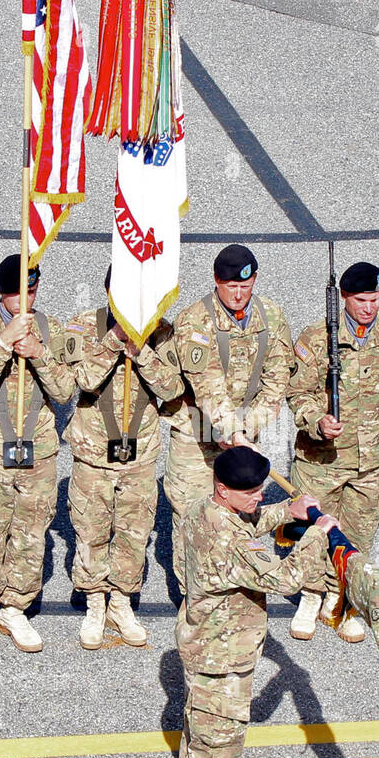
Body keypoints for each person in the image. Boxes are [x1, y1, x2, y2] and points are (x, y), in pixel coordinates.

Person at [168, 446, 336, 758]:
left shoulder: (203, 510)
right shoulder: (228, 540)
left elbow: (247, 524)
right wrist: (317, 535)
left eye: (261, 490)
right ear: (223, 489)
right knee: (219, 740)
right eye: (250, 493)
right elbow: (285, 578)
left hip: (206, 640)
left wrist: (287, 511)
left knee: (201, 731)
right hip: (222, 653)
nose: (258, 498)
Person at [286, 261, 379, 643]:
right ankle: (310, 597)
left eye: (375, 299)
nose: (369, 307)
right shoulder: (317, 338)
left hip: (370, 461)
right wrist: (317, 421)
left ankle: (340, 600)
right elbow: (297, 394)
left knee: (358, 536)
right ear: (344, 297)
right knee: (313, 531)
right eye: (361, 299)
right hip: (322, 459)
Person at [0, 254, 75, 655]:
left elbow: (64, 392)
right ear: (3, 293)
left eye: (34, 292)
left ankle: (16, 606)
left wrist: (39, 353)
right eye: (21, 293)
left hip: (37, 450)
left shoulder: (51, 329)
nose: (28, 301)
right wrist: (3, 345)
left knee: (30, 533)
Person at [162, 244, 295, 590]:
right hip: (198, 434)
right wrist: (233, 432)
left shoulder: (273, 318)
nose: (238, 294)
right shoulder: (194, 321)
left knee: (243, 509)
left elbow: (277, 381)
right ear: (216, 282)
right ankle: (193, 593)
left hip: (245, 435)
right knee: (192, 514)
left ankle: (236, 585)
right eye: (230, 286)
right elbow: (207, 386)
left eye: (244, 286)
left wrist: (247, 431)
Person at [62, 270, 182, 648]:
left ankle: (122, 601)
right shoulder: (82, 326)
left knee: (134, 534)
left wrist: (141, 353)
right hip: (94, 452)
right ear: (108, 292)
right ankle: (95, 601)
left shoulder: (162, 331)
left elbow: (173, 387)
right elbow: (78, 381)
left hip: (139, 454)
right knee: (91, 530)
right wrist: (113, 342)